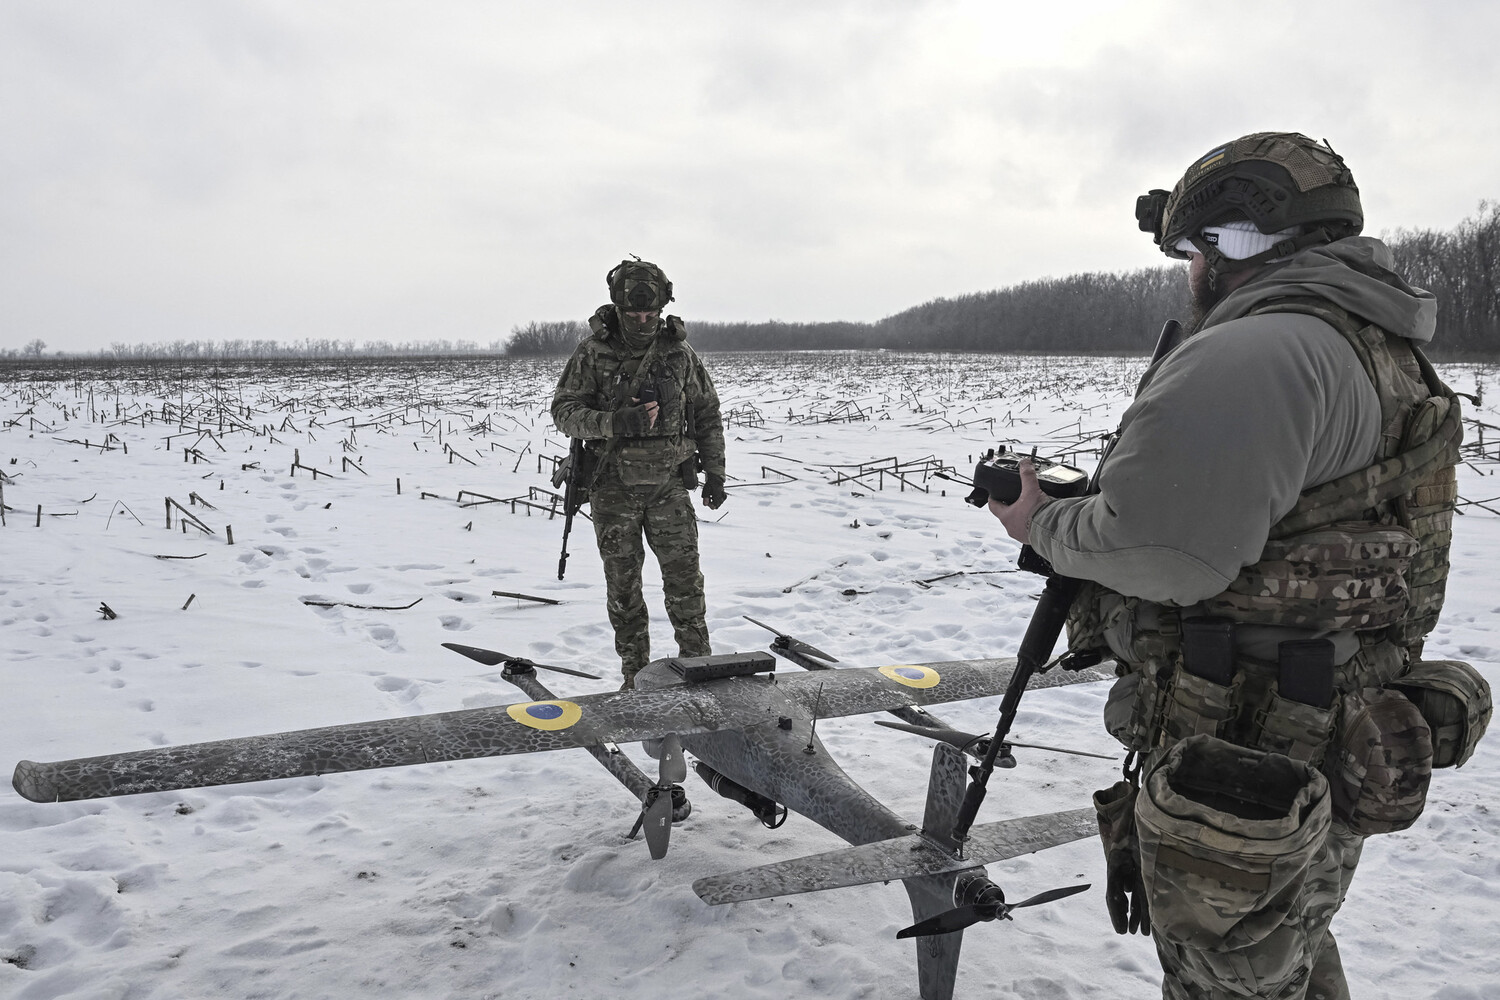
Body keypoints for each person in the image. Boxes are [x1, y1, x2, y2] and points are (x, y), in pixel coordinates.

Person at [991, 133, 1487, 999]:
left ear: (1232, 244)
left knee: (1223, 978)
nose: (1188, 271)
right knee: (1282, 954)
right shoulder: (1380, 349)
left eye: (1192, 249)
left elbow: (1166, 553)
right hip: (1329, 733)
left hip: (1244, 756)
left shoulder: (1258, 350)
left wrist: (1043, 522)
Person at [551, 258, 727, 689]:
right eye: (634, 314)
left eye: (651, 313)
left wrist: (716, 473)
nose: (644, 321)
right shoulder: (592, 353)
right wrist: (615, 423)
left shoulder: (679, 353)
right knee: (624, 591)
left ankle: (699, 673)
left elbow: (707, 413)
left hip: (668, 487)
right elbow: (565, 412)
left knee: (686, 586)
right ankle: (635, 679)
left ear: (664, 306)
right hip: (613, 488)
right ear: (618, 306)